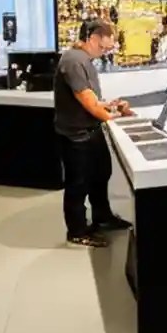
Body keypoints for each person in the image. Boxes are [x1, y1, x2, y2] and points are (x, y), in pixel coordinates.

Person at [55, 19, 135, 248]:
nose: (104, 53)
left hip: (90, 130)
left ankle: (103, 217)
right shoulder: (73, 60)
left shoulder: (86, 60)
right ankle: (77, 230)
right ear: (92, 38)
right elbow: (87, 101)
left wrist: (109, 105)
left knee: (101, 175)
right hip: (76, 135)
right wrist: (114, 116)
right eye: (103, 48)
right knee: (78, 184)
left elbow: (92, 99)